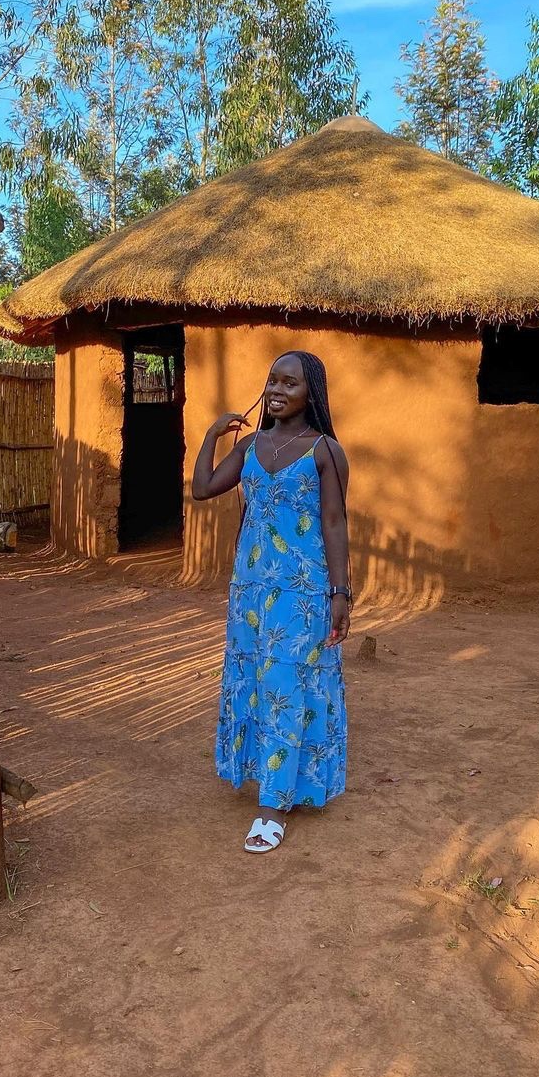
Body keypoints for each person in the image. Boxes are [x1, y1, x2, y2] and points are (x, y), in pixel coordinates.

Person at [191, 350, 351, 853]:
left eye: (291, 383)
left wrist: (340, 591)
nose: (278, 391)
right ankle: (270, 779)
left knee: (287, 683)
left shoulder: (325, 451)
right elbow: (201, 489)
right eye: (273, 382)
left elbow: (334, 523)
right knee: (257, 680)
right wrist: (213, 436)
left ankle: (273, 806)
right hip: (251, 592)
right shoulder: (252, 446)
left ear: (312, 394)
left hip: (302, 593)